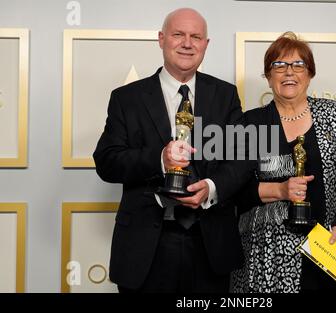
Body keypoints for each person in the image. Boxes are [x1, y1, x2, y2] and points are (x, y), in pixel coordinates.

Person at [93, 8, 248, 293]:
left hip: (210, 243)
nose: (187, 43)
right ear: (161, 39)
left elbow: (241, 158)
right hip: (146, 246)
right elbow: (107, 161)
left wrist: (212, 188)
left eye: (196, 37)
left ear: (206, 44)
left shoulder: (225, 95)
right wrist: (159, 159)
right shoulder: (127, 98)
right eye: (178, 35)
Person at [231, 32, 336, 293]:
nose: (289, 72)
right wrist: (279, 190)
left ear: (310, 74)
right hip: (267, 259)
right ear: (268, 76)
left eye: (298, 65)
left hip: (331, 247)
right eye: (279, 65)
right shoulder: (250, 124)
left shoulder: (333, 116)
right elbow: (232, 189)